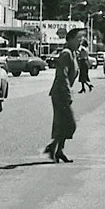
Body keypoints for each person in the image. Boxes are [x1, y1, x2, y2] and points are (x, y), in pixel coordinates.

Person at [44, 27, 85, 163]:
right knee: (70, 123)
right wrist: (67, 94)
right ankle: (54, 148)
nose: (81, 42)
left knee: (64, 123)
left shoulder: (72, 53)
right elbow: (62, 75)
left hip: (63, 92)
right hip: (60, 93)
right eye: (78, 39)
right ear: (70, 39)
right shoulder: (66, 54)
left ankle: (57, 150)